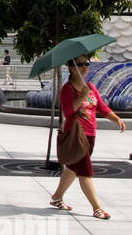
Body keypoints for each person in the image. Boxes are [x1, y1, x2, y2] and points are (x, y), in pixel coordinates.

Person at [50, 56, 125, 220]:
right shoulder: (68, 89)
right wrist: (81, 96)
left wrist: (116, 119)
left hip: (90, 135)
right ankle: (97, 208)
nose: (85, 67)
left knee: (72, 168)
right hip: (76, 136)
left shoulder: (90, 87)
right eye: (81, 64)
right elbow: (68, 112)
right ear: (71, 68)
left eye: (87, 64)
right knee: (85, 172)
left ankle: (56, 197)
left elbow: (102, 108)